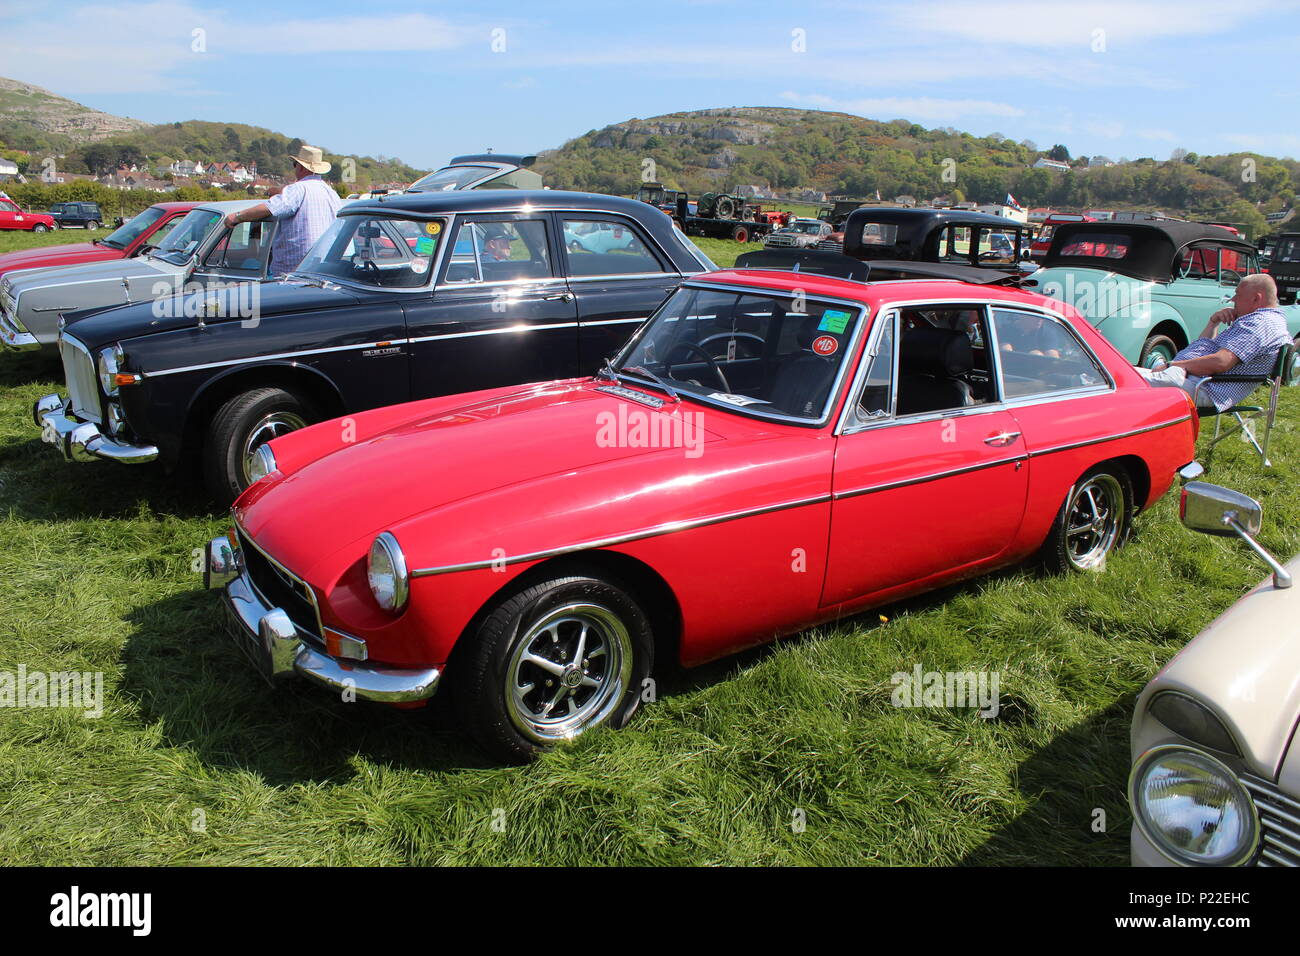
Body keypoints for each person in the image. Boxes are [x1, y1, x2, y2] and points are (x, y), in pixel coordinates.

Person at [1136, 273, 1292, 412]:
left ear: (1256, 298)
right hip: (1192, 379)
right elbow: (1204, 347)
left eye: (1238, 294)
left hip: (1203, 387)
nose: (1233, 299)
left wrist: (1173, 365)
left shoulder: (1259, 324)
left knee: (1120, 383)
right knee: (1121, 374)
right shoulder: (1266, 320)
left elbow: (1221, 362)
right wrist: (1213, 323)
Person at [222, 145, 342, 277]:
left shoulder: (298, 189)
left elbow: (270, 208)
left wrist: (237, 217)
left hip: (294, 270)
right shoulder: (331, 194)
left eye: (295, 164)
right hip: (323, 268)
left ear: (301, 167)